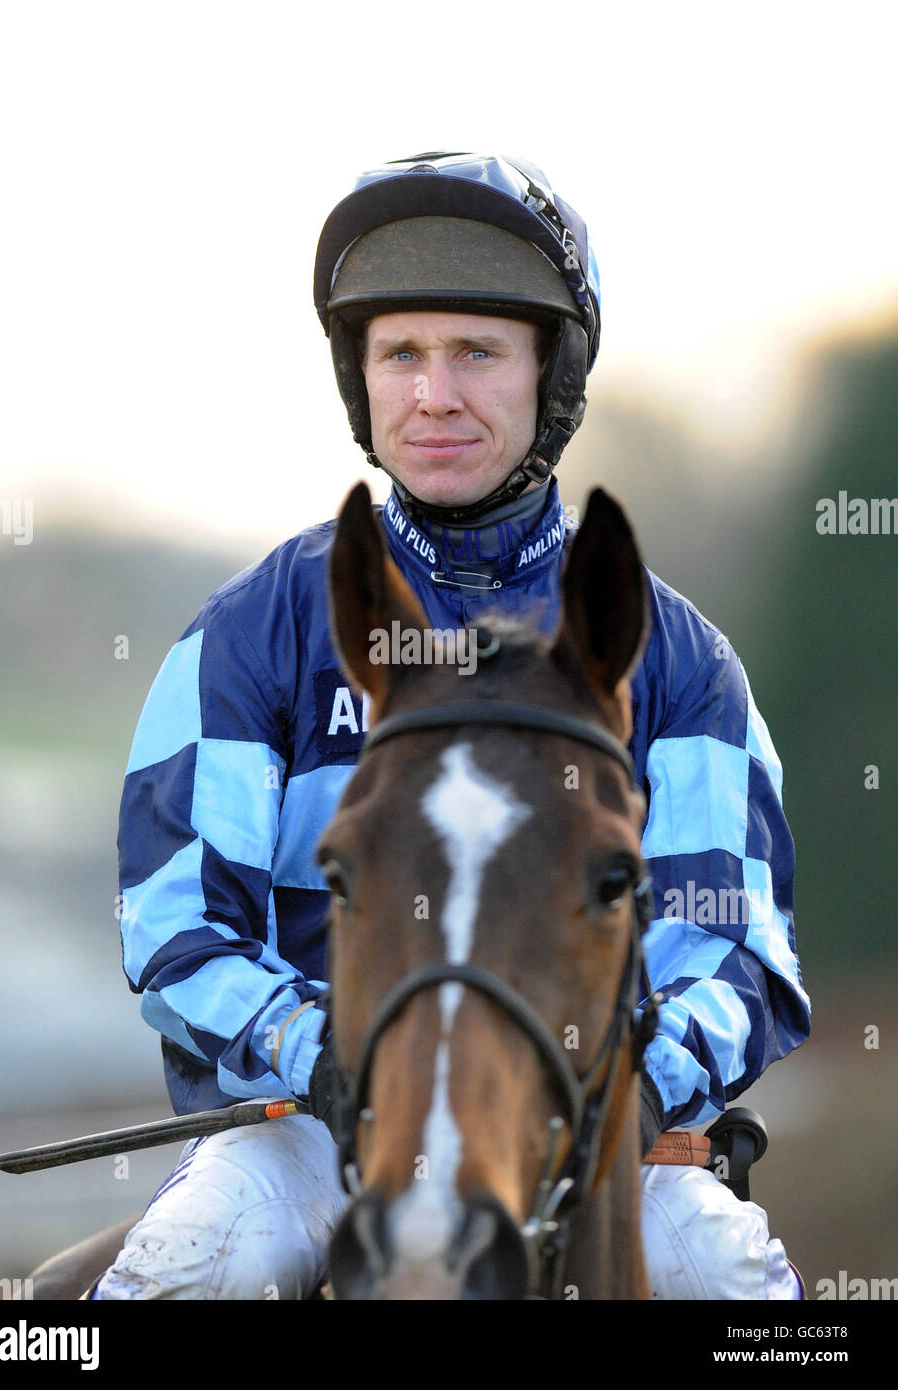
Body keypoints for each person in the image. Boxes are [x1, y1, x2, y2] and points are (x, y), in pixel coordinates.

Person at [92, 153, 810, 1300]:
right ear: (361, 380)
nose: (434, 394)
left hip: (591, 1128)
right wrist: (337, 1055)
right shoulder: (245, 638)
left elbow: (734, 946)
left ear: (547, 376)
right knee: (201, 1262)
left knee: (725, 1278)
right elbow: (175, 921)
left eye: (475, 352)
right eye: (400, 355)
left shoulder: (679, 663)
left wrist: (621, 1079)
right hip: (317, 1128)